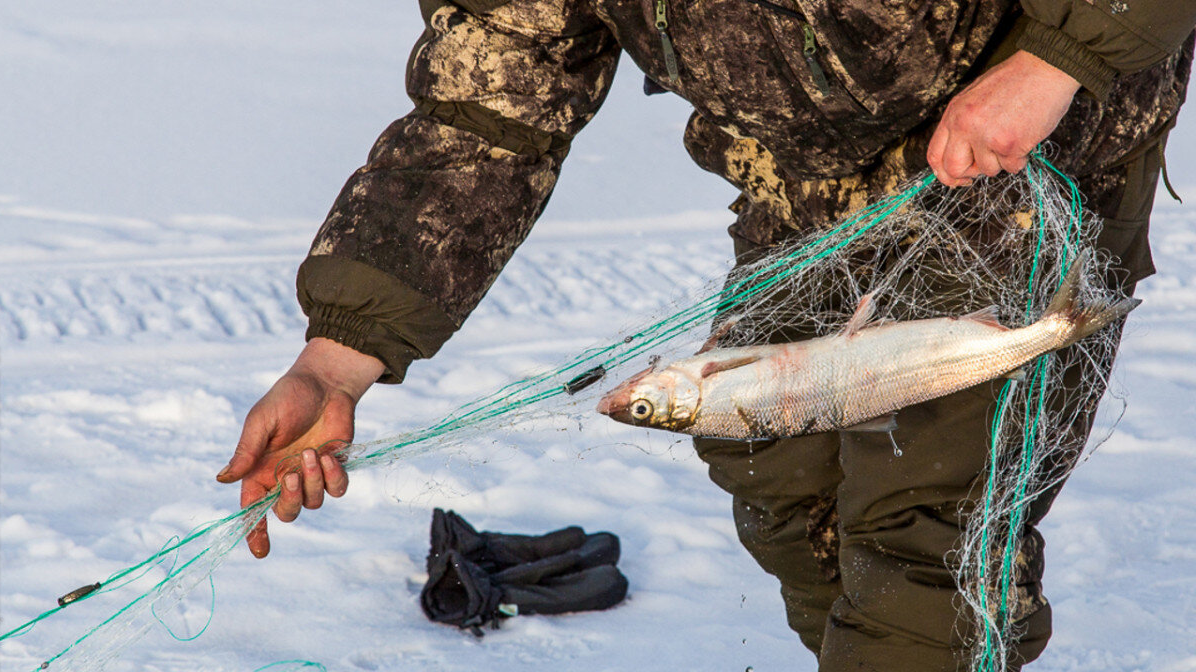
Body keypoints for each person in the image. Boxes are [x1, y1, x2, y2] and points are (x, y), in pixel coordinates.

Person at [216, 0, 1195, 669]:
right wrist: (338, 356)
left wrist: (1057, 58)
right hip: (812, 180)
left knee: (924, 545)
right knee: (777, 481)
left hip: (1025, 154)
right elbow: (488, 105)